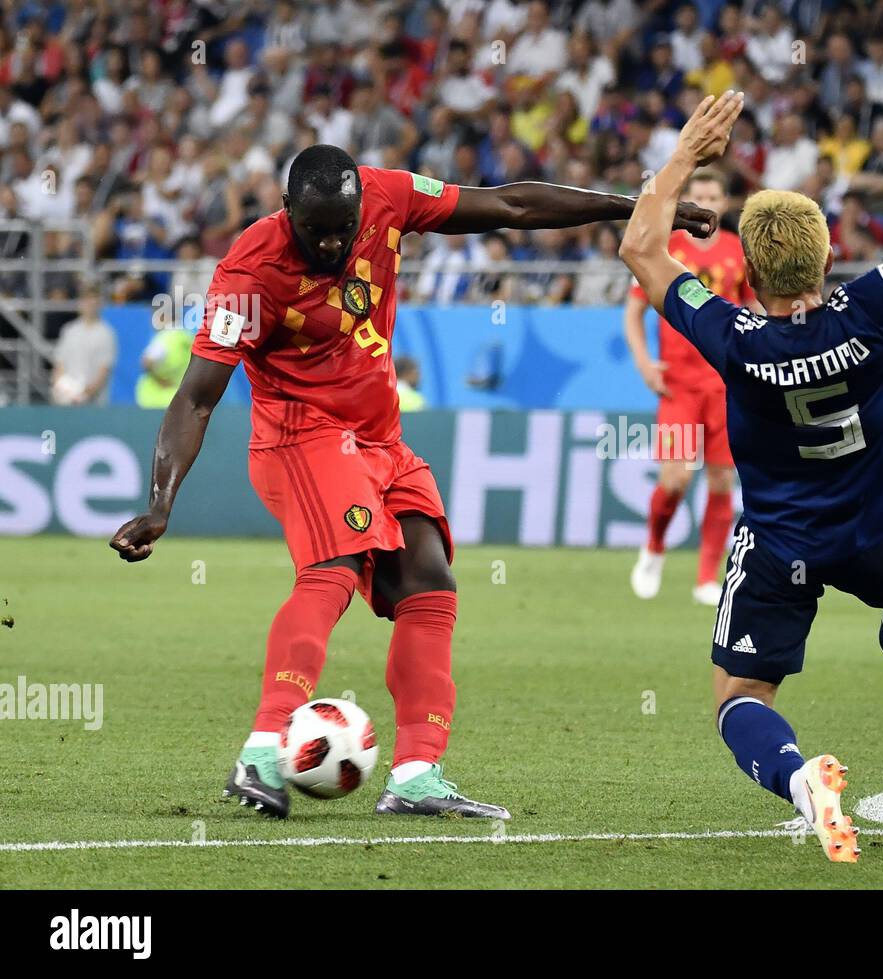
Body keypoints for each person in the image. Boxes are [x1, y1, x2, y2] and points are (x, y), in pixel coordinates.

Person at [109, 144, 716, 821]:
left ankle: (418, 773)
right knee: (334, 570)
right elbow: (195, 398)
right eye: (317, 232)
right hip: (299, 437)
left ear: (362, 205)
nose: (335, 242)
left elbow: (511, 204)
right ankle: (261, 747)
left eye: (344, 226)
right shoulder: (250, 271)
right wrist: (161, 502)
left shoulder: (391, 196)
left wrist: (638, 205)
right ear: (289, 216)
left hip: (380, 439)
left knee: (430, 582)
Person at [618, 72, 883, 862]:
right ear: (826, 261)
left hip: (780, 545)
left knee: (739, 700)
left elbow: (639, 247)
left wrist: (687, 151)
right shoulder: (873, 309)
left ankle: (800, 781)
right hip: (872, 528)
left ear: (747, 274)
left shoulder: (734, 337)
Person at [625, 170, 753, 606]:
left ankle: (705, 577)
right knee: (677, 477)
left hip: (722, 385)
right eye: (697, 195)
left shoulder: (738, 252)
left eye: (713, 194)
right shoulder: (665, 250)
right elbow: (633, 312)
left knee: (721, 480)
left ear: (723, 201)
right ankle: (655, 547)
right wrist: (644, 363)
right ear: (686, 203)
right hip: (678, 385)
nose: (706, 201)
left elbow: (753, 311)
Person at [51, 292, 117, 406]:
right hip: (67, 402)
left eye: (93, 302)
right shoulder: (69, 330)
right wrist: (61, 388)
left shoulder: (106, 333)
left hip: (93, 404)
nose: (89, 306)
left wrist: (84, 393)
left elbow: (104, 370)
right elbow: (59, 364)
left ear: (98, 305)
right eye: (86, 302)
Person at [135, 326, 194, 408]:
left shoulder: (165, 338)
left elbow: (146, 362)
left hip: (157, 399)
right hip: (169, 398)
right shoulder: (186, 339)